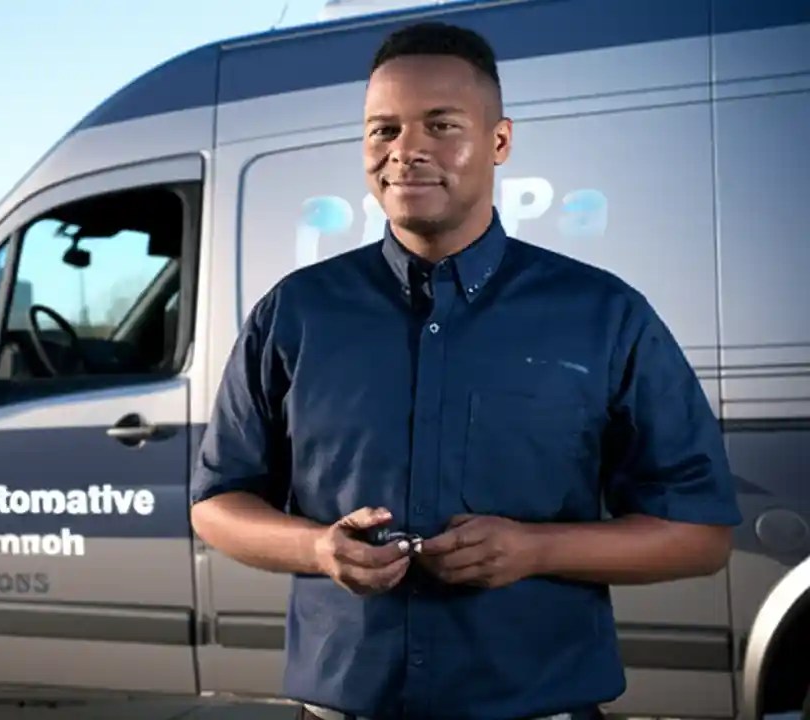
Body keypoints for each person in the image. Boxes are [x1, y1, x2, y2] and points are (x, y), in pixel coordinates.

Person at [188, 20, 742, 720]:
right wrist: (318, 548)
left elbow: (700, 536)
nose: (405, 150)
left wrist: (535, 550)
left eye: (440, 125)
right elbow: (216, 505)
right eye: (382, 130)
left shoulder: (605, 314)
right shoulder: (295, 313)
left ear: (500, 142)